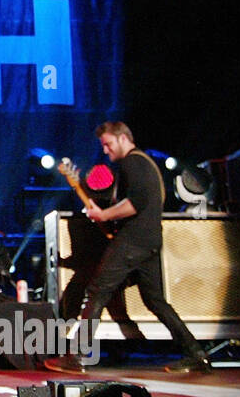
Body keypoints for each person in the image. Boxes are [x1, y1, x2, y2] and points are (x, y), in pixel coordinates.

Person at [45, 121, 212, 375]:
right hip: (150, 241)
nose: (106, 151)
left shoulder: (132, 163)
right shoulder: (144, 164)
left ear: (123, 139)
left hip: (133, 240)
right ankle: (196, 354)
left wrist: (105, 215)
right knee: (155, 300)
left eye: (108, 144)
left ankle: (77, 355)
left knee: (97, 290)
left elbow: (135, 203)